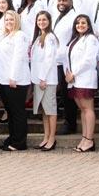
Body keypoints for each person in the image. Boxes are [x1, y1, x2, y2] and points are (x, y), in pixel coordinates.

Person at [0, 10, 30, 151]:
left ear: (17, 21)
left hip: (16, 80)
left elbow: (18, 57)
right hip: (3, 80)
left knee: (17, 111)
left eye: (11, 20)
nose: (9, 22)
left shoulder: (20, 36)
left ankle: (19, 142)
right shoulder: (6, 36)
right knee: (10, 111)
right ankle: (12, 138)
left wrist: (13, 77)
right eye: (6, 20)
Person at [64, 15, 99, 152]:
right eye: (78, 23)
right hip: (74, 79)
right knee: (82, 110)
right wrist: (68, 73)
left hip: (84, 78)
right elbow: (67, 58)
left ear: (89, 25)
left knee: (88, 109)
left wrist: (74, 73)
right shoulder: (75, 39)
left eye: (83, 23)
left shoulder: (91, 39)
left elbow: (89, 60)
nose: (80, 25)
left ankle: (89, 140)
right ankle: (84, 138)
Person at [29, 11, 59, 151]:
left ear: (49, 21)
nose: (41, 22)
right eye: (39, 20)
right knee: (44, 111)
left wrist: (42, 78)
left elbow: (49, 58)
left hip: (46, 79)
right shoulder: (39, 37)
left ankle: (52, 138)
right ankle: (46, 137)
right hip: (38, 79)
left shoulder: (50, 37)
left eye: (44, 20)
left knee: (50, 110)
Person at [52, 0, 77, 134]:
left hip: (68, 61)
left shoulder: (74, 18)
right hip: (58, 60)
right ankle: (67, 121)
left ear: (71, 2)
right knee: (63, 93)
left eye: (65, 0)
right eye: (59, 0)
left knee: (68, 95)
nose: (61, 3)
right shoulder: (59, 16)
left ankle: (70, 124)